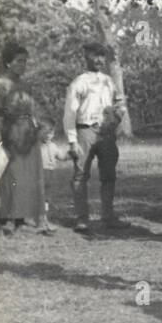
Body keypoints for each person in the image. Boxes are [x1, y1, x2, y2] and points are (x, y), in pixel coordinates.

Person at [0, 42, 55, 235]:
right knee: (12, 176)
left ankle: (24, 218)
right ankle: (7, 219)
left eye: (25, 61)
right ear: (8, 62)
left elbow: (33, 110)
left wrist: (39, 128)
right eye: (18, 61)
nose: (22, 65)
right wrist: (0, 137)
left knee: (28, 176)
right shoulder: (0, 85)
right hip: (10, 131)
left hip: (28, 132)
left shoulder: (26, 85)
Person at [63, 40, 127, 232]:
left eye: (102, 55)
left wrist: (116, 119)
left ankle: (108, 216)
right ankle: (82, 218)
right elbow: (70, 112)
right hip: (85, 130)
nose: (98, 59)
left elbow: (120, 103)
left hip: (106, 133)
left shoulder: (108, 81)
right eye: (94, 55)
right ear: (86, 56)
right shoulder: (79, 82)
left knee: (109, 175)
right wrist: (73, 140)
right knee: (81, 175)